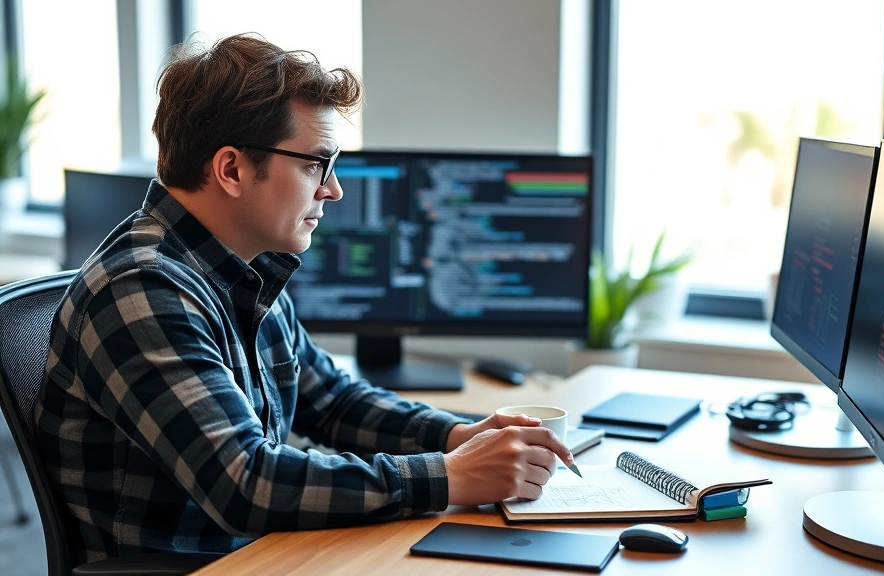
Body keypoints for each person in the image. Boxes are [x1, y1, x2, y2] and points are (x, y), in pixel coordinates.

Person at [35, 33, 574, 564]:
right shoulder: (141, 288)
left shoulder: (244, 266)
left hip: (263, 553)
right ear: (232, 169)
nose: (334, 189)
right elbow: (244, 482)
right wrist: (451, 475)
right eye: (316, 163)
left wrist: (458, 435)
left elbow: (331, 401)